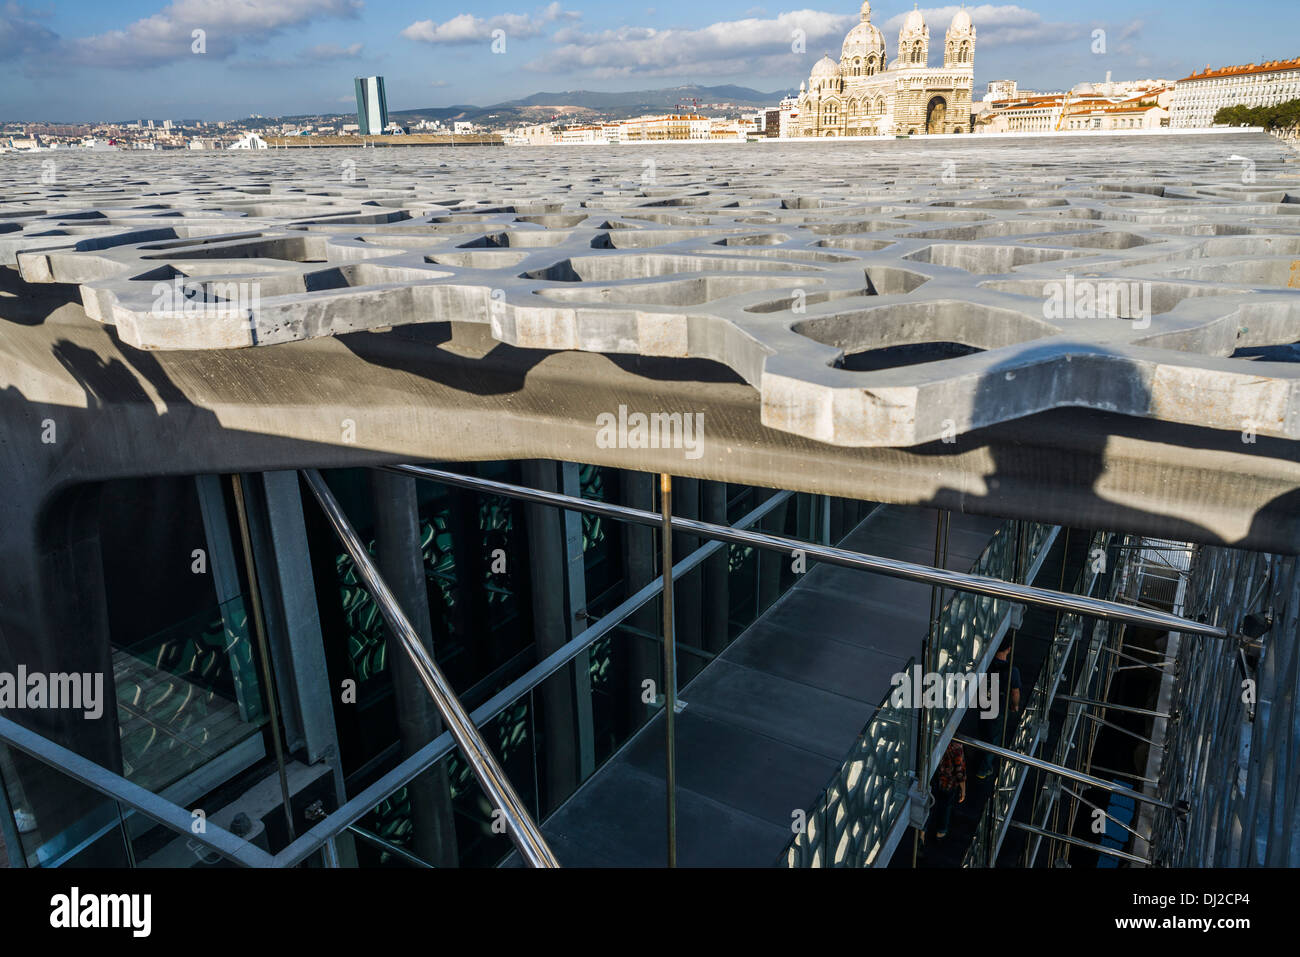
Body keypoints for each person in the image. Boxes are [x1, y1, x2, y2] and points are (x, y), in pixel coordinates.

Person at [977, 642, 1021, 779]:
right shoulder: (1012, 670)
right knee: (993, 737)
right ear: (1009, 648)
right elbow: (1015, 693)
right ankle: (983, 769)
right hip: (999, 704)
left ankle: (978, 755)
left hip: (984, 700)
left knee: (983, 728)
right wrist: (1015, 705)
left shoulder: (986, 662)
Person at [931, 740, 966, 839]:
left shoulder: (937, 739)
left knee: (931, 803)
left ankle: (922, 833)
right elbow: (960, 772)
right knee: (945, 806)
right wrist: (963, 791)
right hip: (948, 783)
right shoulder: (957, 747)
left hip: (935, 778)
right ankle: (941, 831)